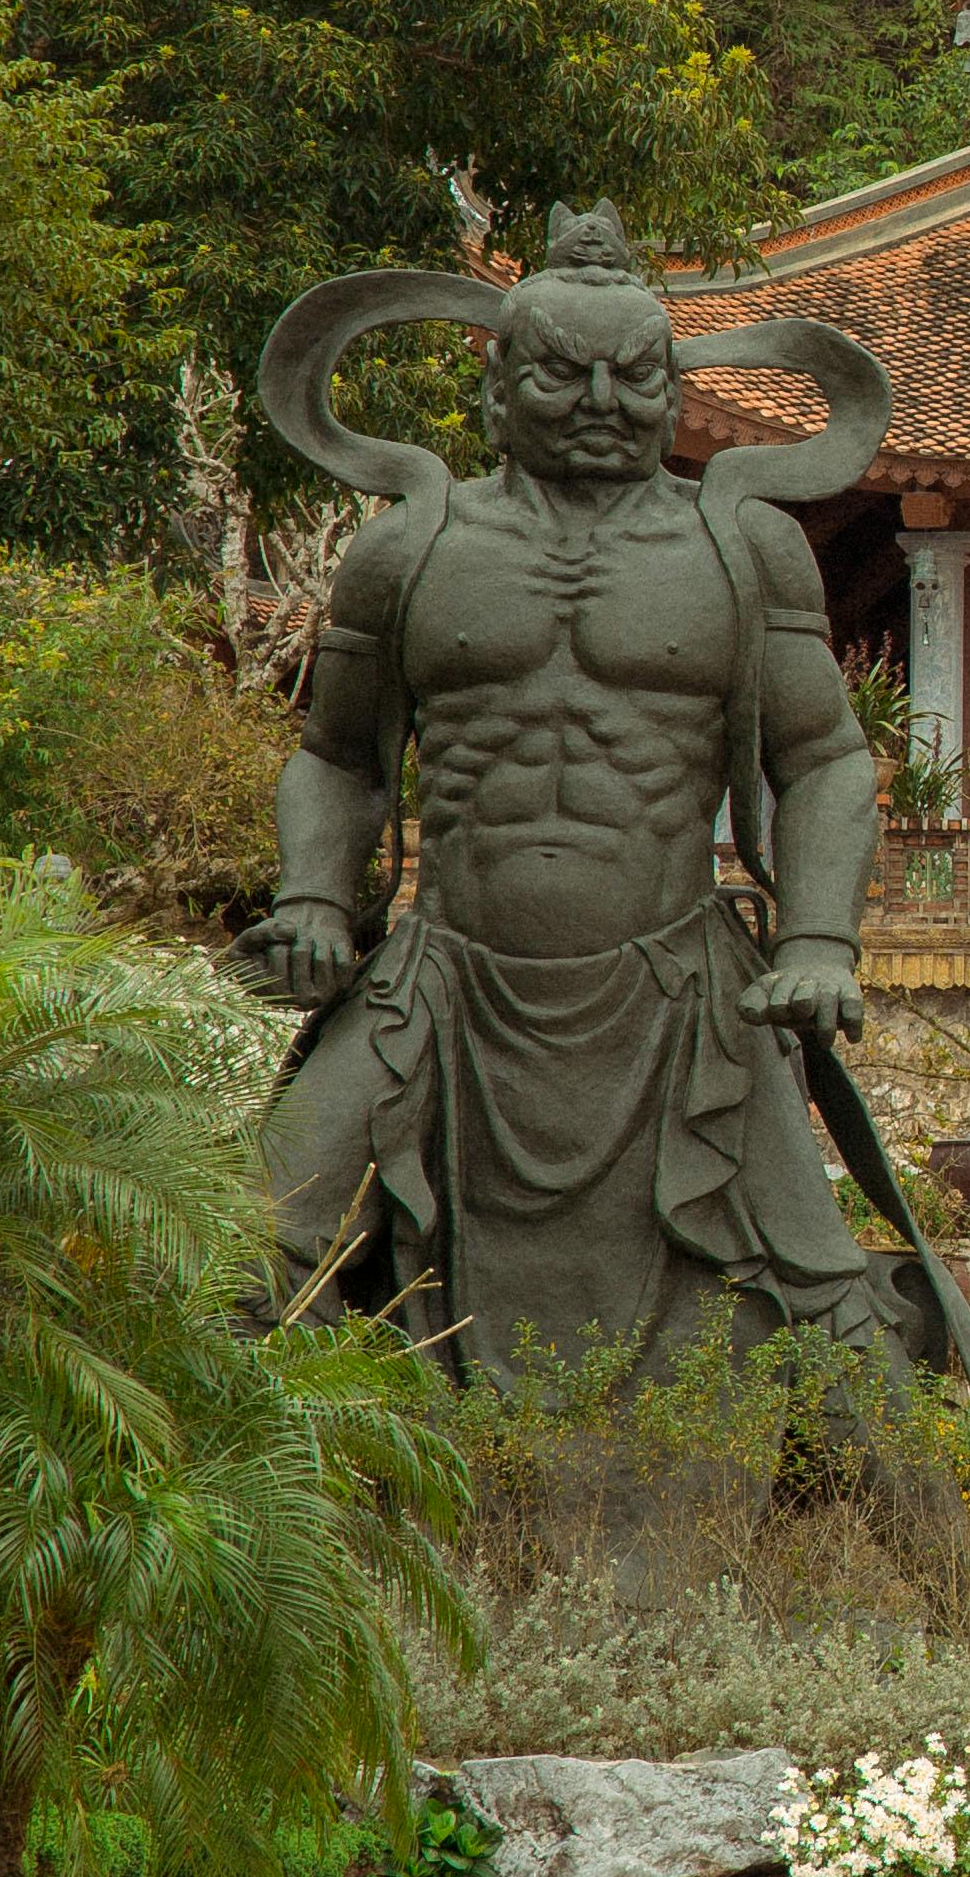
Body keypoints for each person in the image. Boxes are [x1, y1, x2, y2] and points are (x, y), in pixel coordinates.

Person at [241, 213, 902, 1372]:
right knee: (252, 1250)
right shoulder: (413, 548)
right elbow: (340, 758)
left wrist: (820, 941)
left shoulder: (742, 551)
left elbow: (828, 759)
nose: (601, 398)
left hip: (679, 979)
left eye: (634, 375)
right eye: (562, 371)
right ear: (496, 390)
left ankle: (961, 1551)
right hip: (441, 970)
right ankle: (247, 1531)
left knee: (819, 1284)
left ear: (673, 389)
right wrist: (309, 898)